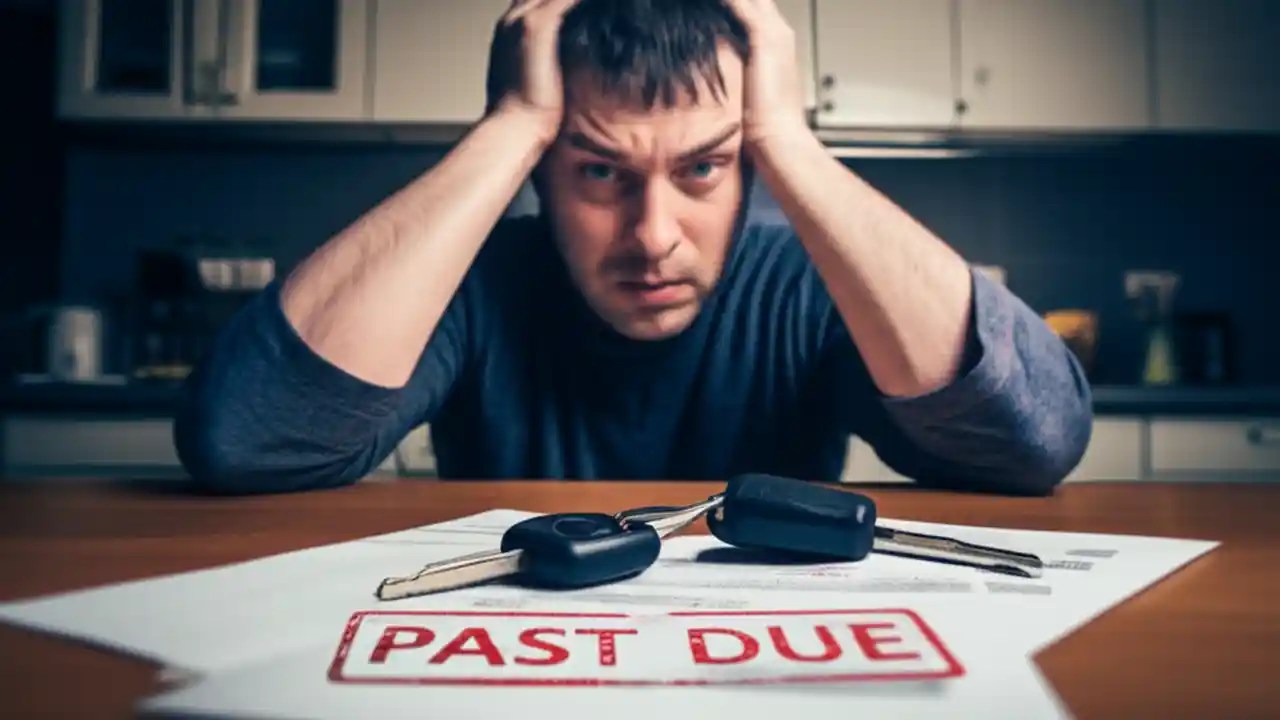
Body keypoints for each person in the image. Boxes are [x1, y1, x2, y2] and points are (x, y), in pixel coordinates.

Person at [173, 0, 1093, 496]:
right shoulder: (474, 286)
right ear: (539, 172)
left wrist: (789, 141)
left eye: (703, 169)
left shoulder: (815, 291)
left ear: (746, 169)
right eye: (600, 174)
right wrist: (511, 126)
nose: (653, 238)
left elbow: (1034, 445)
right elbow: (246, 444)